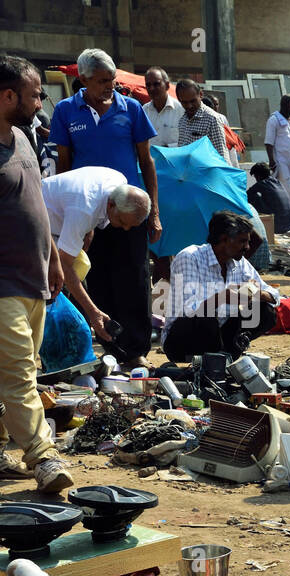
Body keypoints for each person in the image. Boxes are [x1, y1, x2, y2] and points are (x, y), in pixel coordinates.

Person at [49, 48, 160, 367]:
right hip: (88, 213)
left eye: (111, 80)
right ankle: (112, 346)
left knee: (135, 278)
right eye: (101, 81)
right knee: (100, 278)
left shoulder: (132, 109)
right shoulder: (67, 111)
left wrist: (153, 213)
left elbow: (146, 162)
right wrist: (72, 217)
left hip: (129, 208)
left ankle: (136, 349)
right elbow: (64, 164)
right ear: (83, 80)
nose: (109, 86)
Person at [0, 55, 74, 493]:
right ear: (7, 96)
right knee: (21, 372)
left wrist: (52, 257)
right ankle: (42, 456)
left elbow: (37, 204)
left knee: (9, 372)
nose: (41, 102)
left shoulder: (24, 137)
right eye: (34, 94)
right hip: (3, 283)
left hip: (33, 279)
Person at [41, 168, 150, 342]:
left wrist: (87, 235)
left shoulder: (119, 180)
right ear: (111, 205)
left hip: (58, 224)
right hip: (30, 222)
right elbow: (63, 264)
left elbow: (89, 224)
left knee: (74, 289)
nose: (125, 228)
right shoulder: (84, 210)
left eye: (130, 226)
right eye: (122, 221)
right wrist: (94, 313)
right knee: (51, 291)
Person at [162, 211, 280, 362]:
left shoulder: (239, 262)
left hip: (220, 334)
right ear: (224, 239)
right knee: (206, 316)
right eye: (242, 241)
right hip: (182, 340)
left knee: (266, 311)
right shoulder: (190, 257)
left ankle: (227, 354)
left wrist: (256, 293)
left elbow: (275, 296)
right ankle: (214, 359)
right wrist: (222, 297)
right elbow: (188, 310)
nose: (247, 247)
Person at [264, 95, 290, 210]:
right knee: (287, 191)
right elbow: (268, 142)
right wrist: (271, 161)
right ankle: (288, 218)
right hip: (282, 163)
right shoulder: (274, 120)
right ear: (283, 105)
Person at [175, 78, 228, 162]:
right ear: (179, 99)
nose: (189, 106)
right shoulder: (182, 120)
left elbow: (222, 155)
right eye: (185, 102)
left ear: (200, 94)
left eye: (193, 101)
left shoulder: (212, 119)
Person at [246, 162, 290, 234]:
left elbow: (246, 194)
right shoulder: (277, 181)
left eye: (255, 176)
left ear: (258, 176)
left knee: (252, 196)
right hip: (289, 224)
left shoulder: (262, 183)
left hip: (277, 227)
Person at [142, 68, 181, 148]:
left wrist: (167, 148)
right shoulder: (144, 111)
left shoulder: (181, 110)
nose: (151, 88)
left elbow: (188, 141)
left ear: (167, 85)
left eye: (156, 84)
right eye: (148, 85)